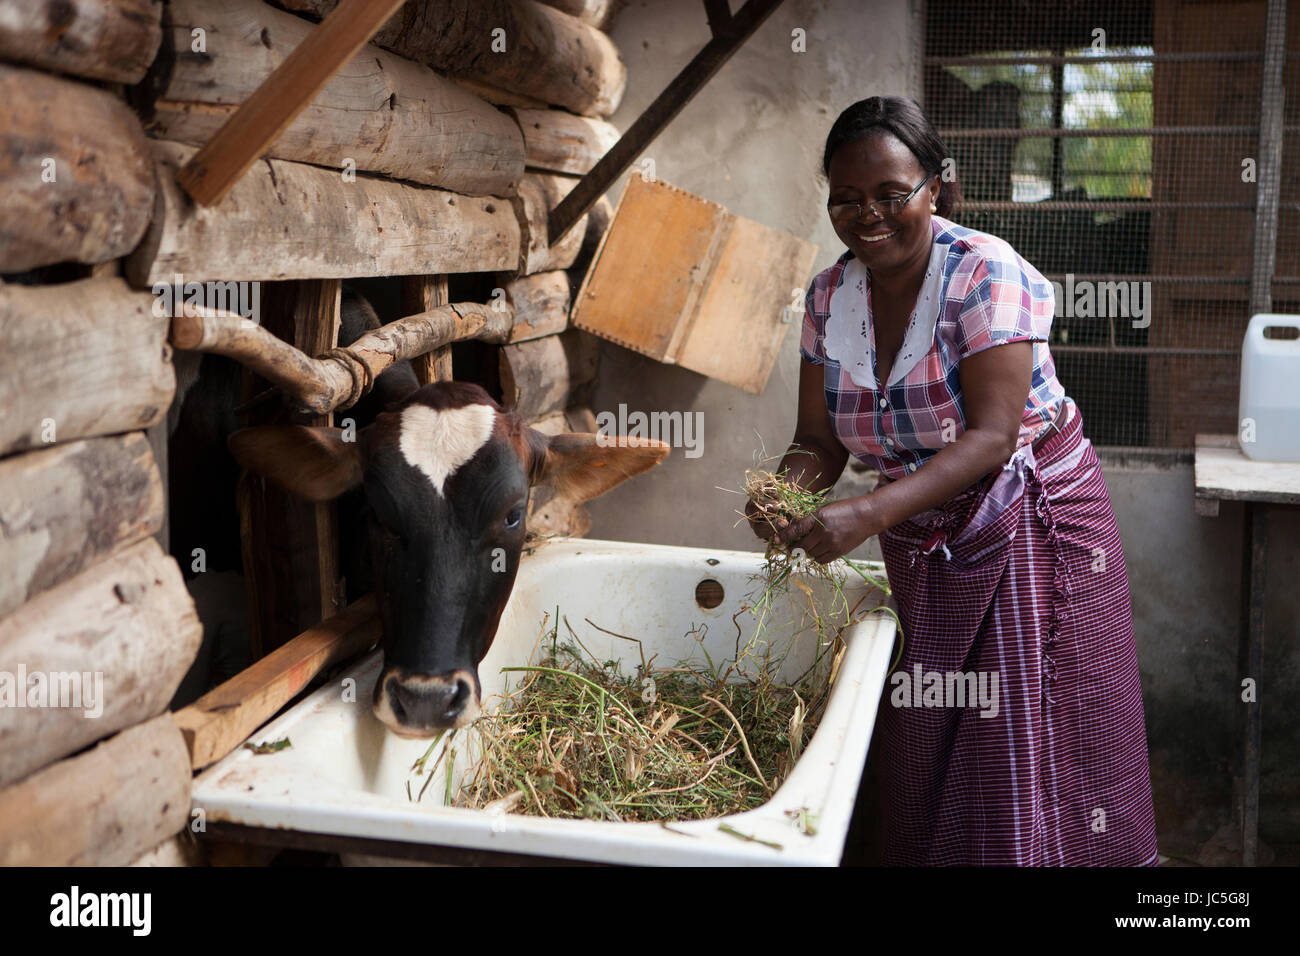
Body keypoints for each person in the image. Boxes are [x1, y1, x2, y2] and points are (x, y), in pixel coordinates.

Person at [747, 95, 1158, 866]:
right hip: (918, 527)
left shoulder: (982, 271)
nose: (867, 214)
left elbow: (994, 437)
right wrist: (787, 492)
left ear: (939, 188)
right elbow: (817, 440)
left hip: (1030, 523)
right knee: (938, 727)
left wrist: (865, 514)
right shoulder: (830, 296)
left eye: (891, 194)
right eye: (845, 198)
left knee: (1029, 735)